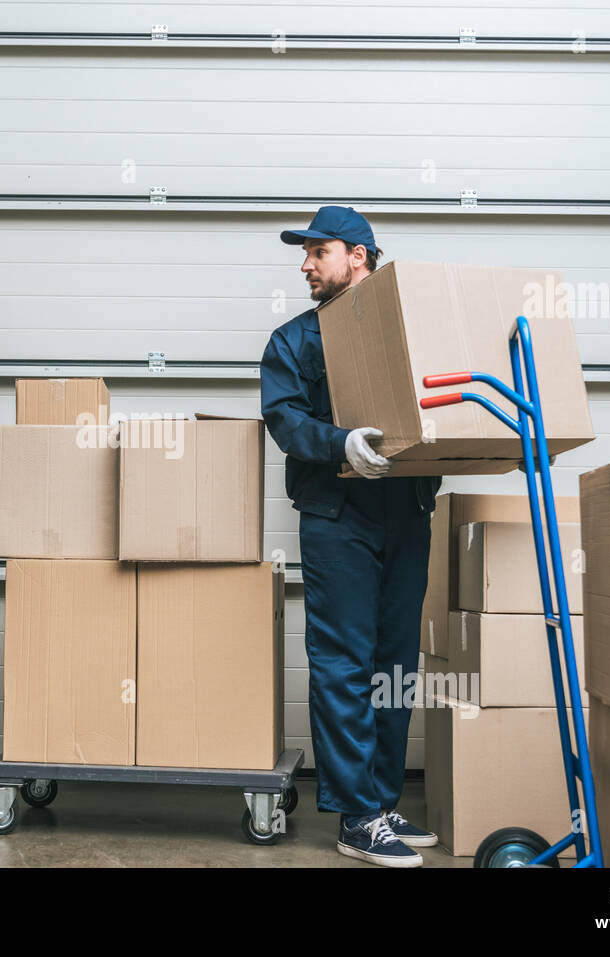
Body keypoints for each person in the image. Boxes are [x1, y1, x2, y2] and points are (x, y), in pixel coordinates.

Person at [260, 207, 441, 867]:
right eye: (304, 253)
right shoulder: (293, 343)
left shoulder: (411, 329)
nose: (305, 264)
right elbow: (283, 418)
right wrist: (339, 442)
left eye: (317, 251)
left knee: (395, 663)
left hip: (406, 508)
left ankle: (382, 801)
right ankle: (356, 815)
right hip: (338, 514)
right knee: (344, 661)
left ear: (358, 255)